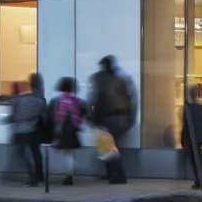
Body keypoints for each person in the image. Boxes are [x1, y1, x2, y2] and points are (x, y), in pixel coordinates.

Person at [90, 55, 137, 185]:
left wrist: (93, 117)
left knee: (109, 147)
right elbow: (130, 99)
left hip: (109, 117)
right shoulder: (120, 80)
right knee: (109, 146)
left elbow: (99, 99)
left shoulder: (102, 79)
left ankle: (118, 174)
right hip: (117, 117)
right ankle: (112, 173)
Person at [1, 73, 47, 185]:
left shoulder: (17, 100)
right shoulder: (40, 100)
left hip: (20, 130)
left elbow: (14, 117)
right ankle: (39, 175)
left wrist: (6, 120)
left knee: (20, 153)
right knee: (35, 153)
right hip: (34, 130)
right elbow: (43, 114)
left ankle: (31, 175)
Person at [47, 77, 90, 185]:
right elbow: (85, 113)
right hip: (72, 131)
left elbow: (49, 115)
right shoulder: (78, 101)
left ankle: (54, 174)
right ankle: (69, 175)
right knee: (69, 154)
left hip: (59, 130)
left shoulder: (56, 101)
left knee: (59, 152)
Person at [180, 94, 202, 195]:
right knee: (197, 157)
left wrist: (183, 139)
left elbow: (186, 124)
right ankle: (199, 178)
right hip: (200, 137)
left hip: (192, 137)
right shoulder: (200, 107)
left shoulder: (188, 108)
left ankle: (198, 179)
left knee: (194, 159)